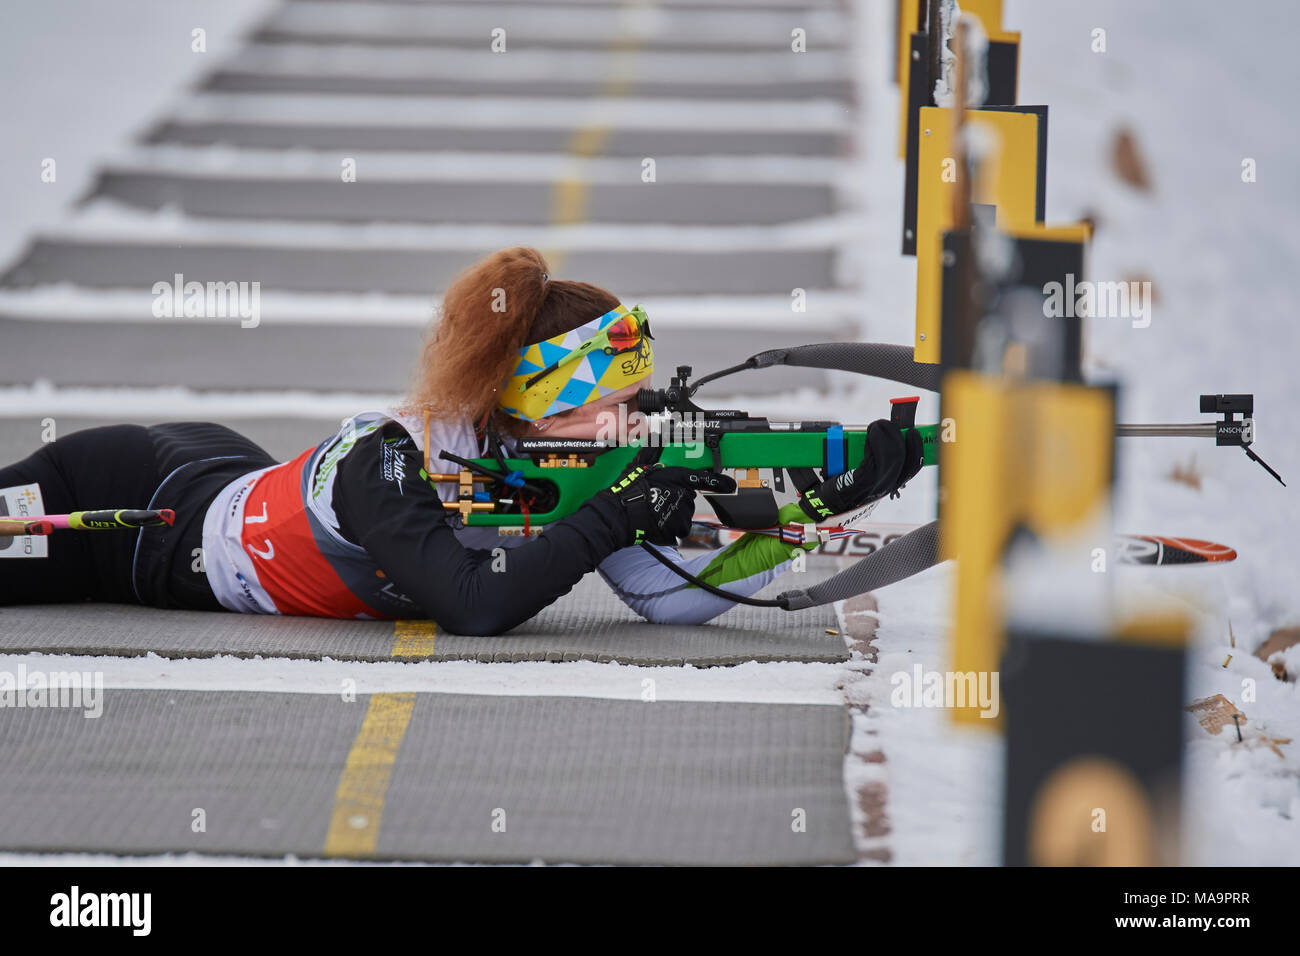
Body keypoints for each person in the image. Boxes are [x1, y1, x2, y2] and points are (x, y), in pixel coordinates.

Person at [0, 247, 921, 634]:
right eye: (610, 408)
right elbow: (473, 606)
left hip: (227, 465)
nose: (632, 429)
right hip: (128, 508)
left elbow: (671, 602)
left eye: (640, 405)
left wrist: (806, 509)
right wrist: (617, 512)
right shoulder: (388, 460)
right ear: (533, 408)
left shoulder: (570, 469)